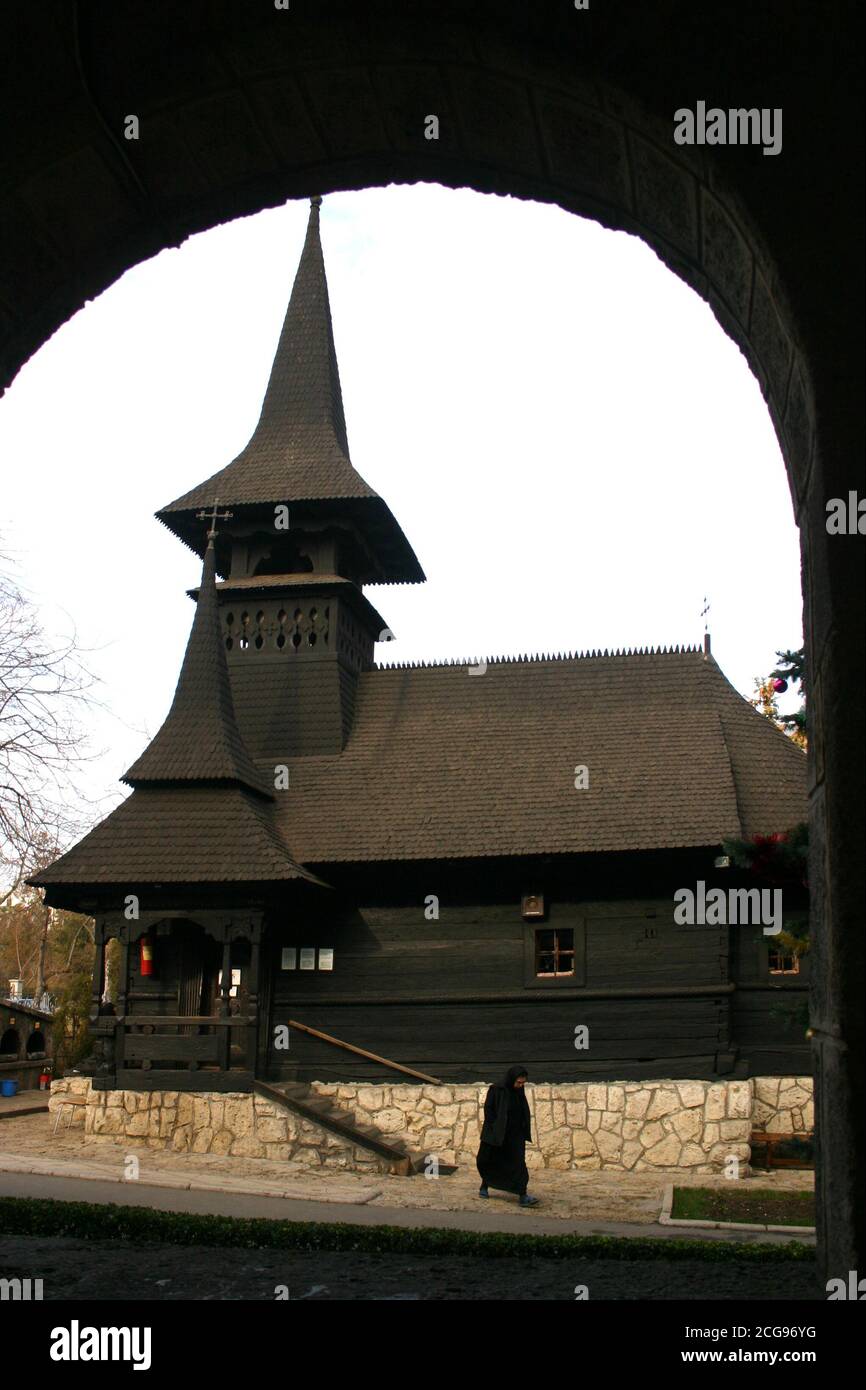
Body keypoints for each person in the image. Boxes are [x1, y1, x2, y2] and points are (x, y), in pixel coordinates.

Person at [476, 1064, 539, 1207]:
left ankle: (522, 1195)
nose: (520, 1085)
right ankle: (484, 1186)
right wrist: (494, 1128)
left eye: (523, 1083)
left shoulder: (519, 1091)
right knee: (491, 1160)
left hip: (515, 1134)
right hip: (497, 1134)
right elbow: (489, 1109)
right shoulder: (496, 1090)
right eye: (518, 1082)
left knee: (518, 1163)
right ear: (511, 1079)